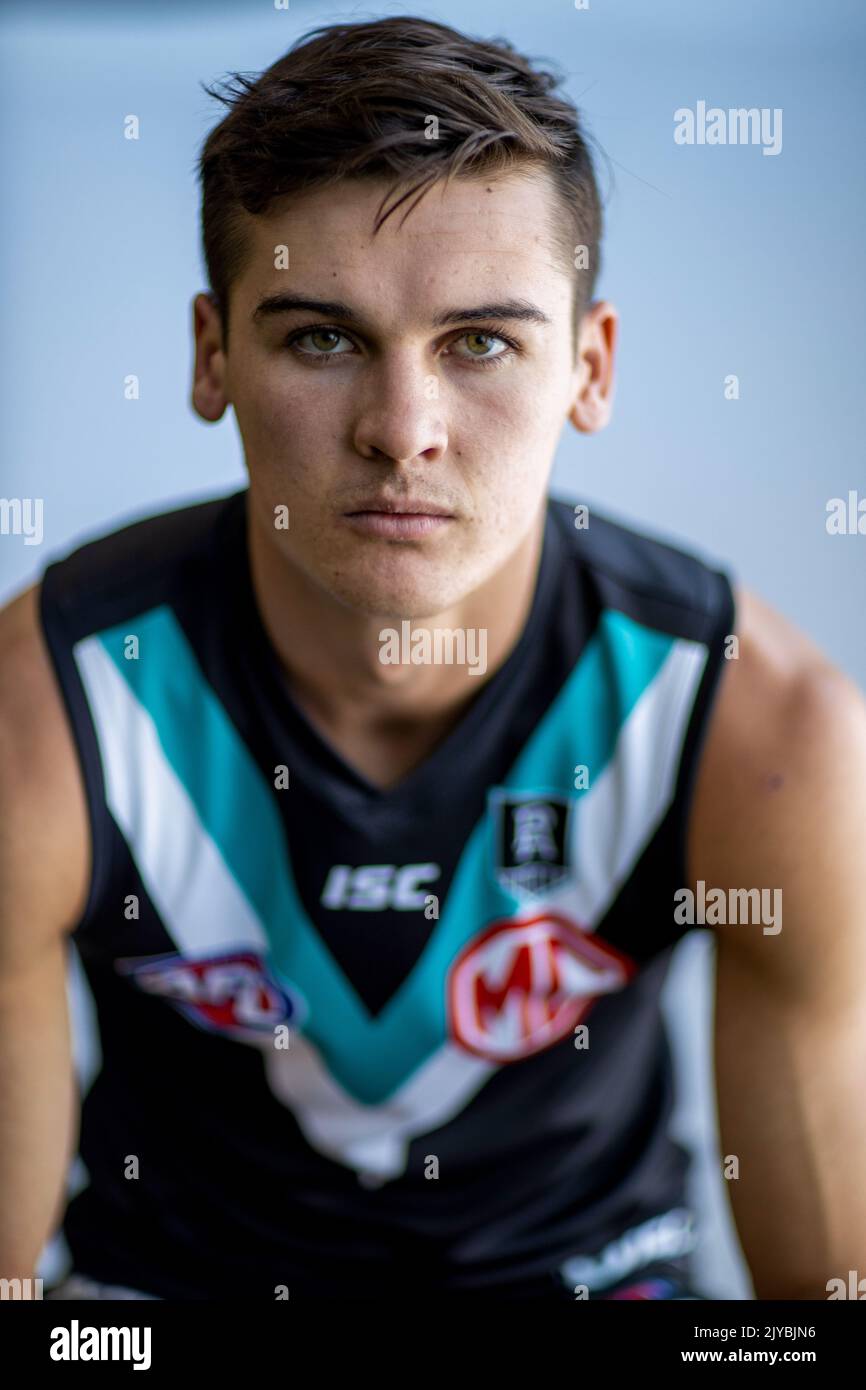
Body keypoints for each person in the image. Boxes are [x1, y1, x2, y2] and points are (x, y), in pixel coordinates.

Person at [2, 15, 865, 1302]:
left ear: (588, 364)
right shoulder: (45, 717)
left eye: (480, 343)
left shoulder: (761, 731)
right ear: (210, 356)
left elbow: (823, 1306)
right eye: (321, 338)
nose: (401, 432)